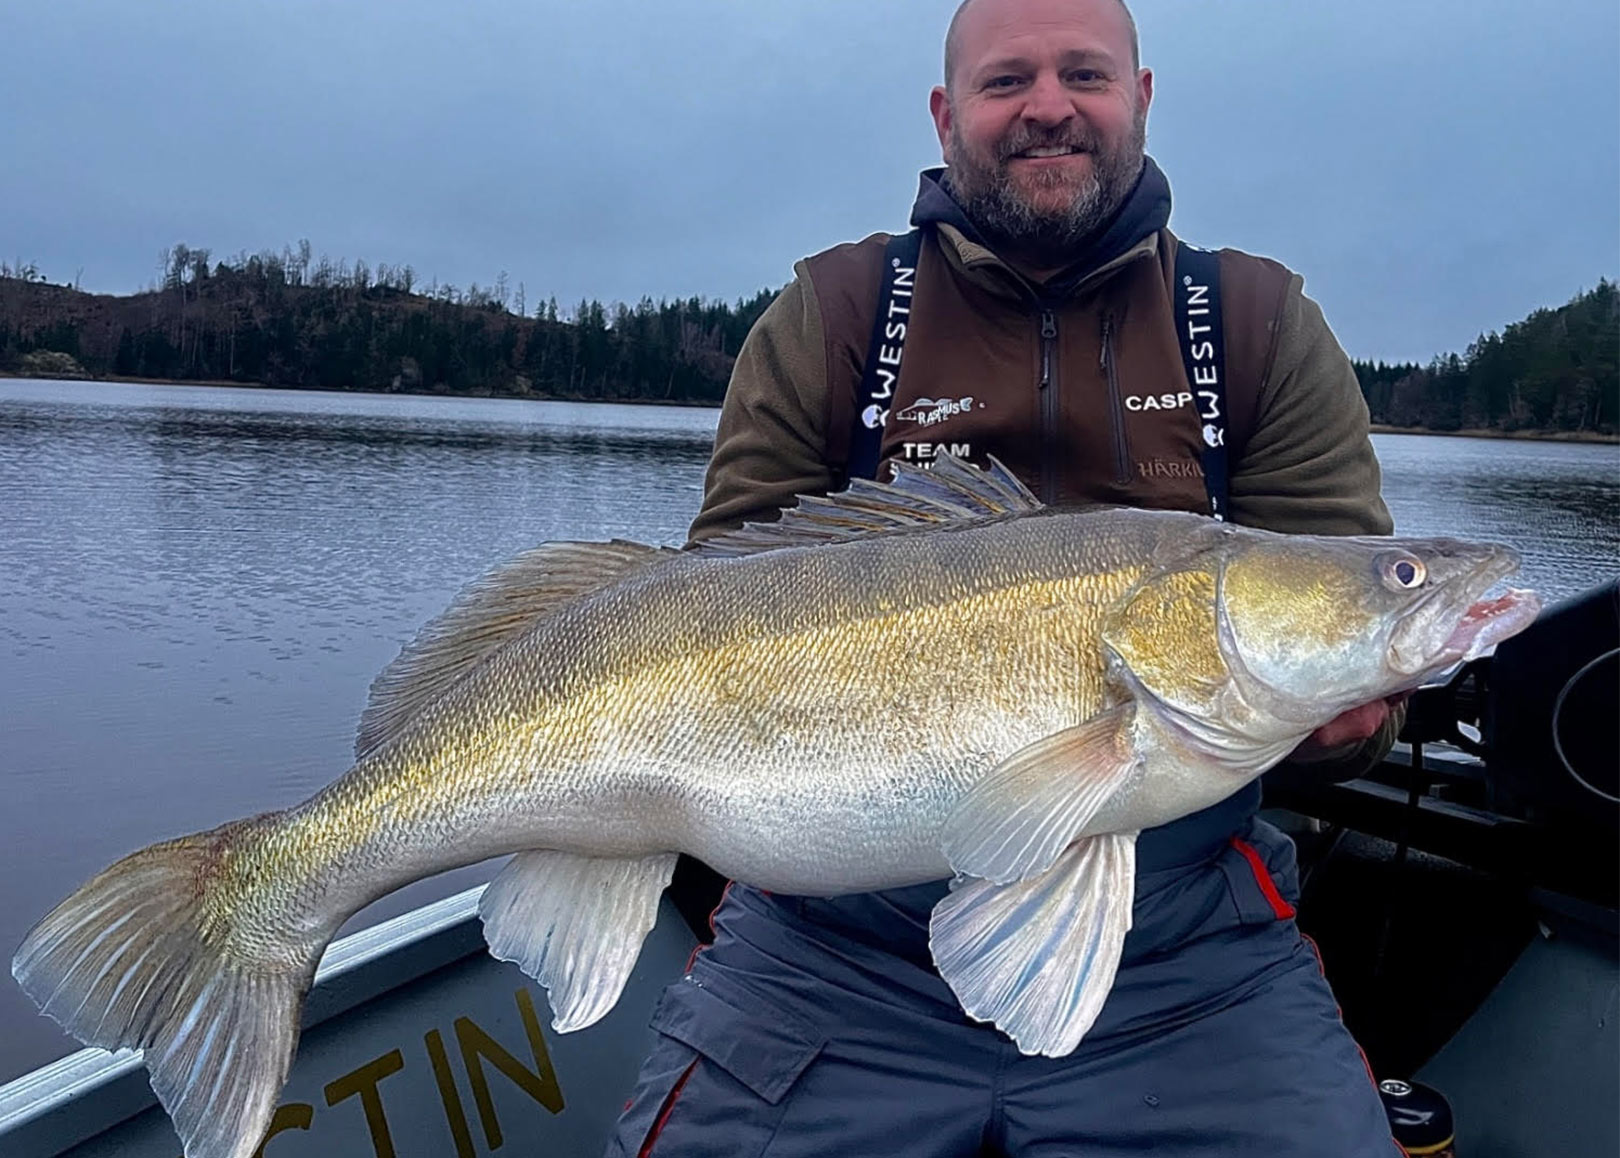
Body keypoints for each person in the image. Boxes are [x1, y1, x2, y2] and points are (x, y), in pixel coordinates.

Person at [607, 0, 1404, 1153]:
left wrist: (1350, 713)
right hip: (831, 958)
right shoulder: (831, 318)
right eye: (1005, 81)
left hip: (1187, 957)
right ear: (944, 116)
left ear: (1139, 95)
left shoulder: (1255, 326)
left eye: (1085, 73)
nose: (1048, 106)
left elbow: (1345, 642)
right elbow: (707, 617)